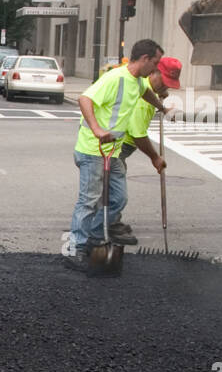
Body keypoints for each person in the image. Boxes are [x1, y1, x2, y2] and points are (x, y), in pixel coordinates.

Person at [64, 38, 172, 271]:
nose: (156, 68)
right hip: (93, 150)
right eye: (155, 62)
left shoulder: (138, 81)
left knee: (118, 199)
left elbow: (146, 93)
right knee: (89, 201)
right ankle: (75, 247)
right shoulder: (115, 78)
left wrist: (161, 107)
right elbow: (85, 99)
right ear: (144, 59)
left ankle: (94, 237)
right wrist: (97, 129)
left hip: (112, 152)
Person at [110, 55, 181, 241]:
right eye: (164, 82)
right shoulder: (143, 99)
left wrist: (161, 99)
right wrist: (155, 158)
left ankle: (111, 222)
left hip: (118, 145)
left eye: (169, 85)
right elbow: (138, 135)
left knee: (111, 185)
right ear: (154, 72)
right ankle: (108, 229)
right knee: (117, 192)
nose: (165, 87)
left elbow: (152, 93)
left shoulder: (144, 85)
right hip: (116, 146)